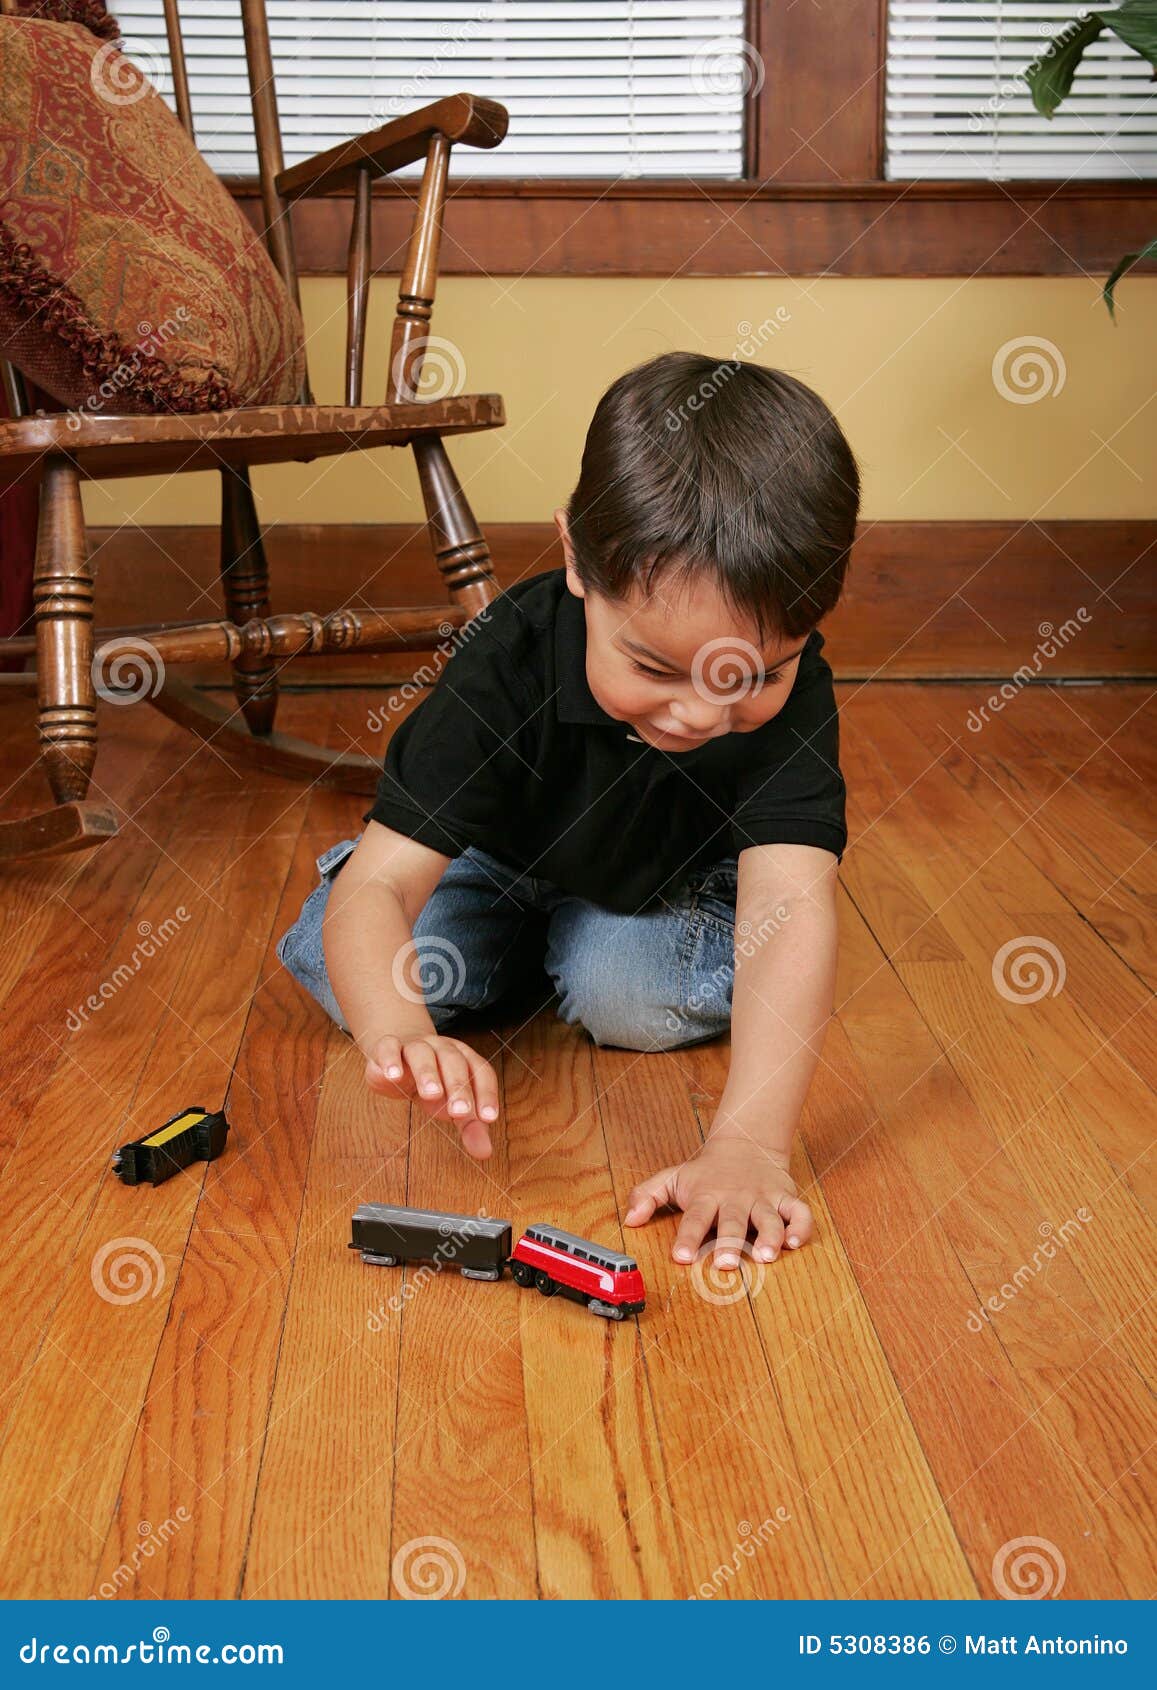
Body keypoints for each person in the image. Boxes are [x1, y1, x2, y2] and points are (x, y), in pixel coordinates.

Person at [277, 349, 860, 1274]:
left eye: (759, 676)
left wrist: (747, 1146)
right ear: (576, 560)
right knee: (335, 958)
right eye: (656, 670)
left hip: (664, 884)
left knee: (623, 992)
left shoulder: (804, 696)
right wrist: (407, 1036)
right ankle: (530, 943)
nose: (703, 715)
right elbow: (379, 884)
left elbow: (787, 906)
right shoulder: (505, 655)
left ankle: (559, 955)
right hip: (502, 856)